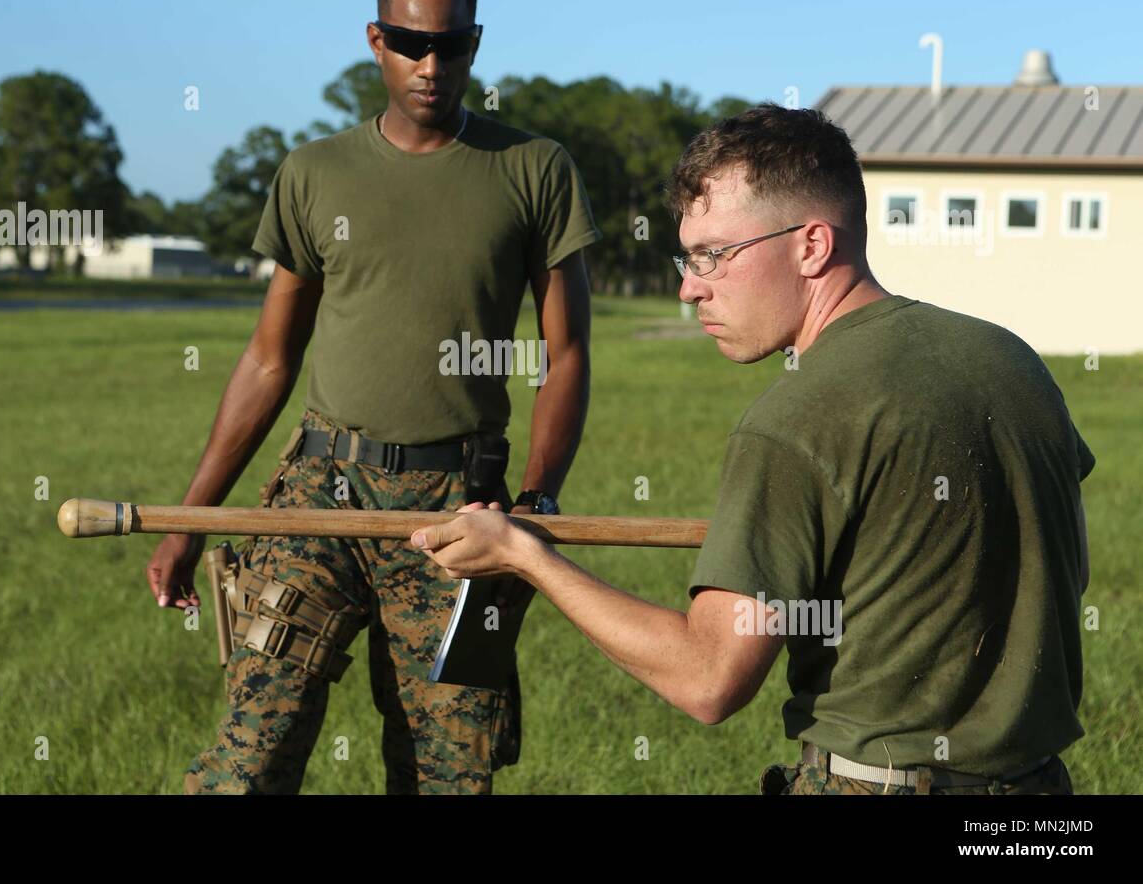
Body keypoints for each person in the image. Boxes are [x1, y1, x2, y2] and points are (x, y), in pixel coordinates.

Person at [411, 103, 1092, 795]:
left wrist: (525, 555)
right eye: (686, 256)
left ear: (812, 246)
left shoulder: (795, 419)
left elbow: (709, 679)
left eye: (714, 254)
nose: (688, 286)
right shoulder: (1012, 361)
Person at [146, 0, 599, 794]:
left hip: (459, 510)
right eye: (408, 42)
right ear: (375, 40)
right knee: (249, 760)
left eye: (451, 46)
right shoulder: (315, 172)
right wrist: (192, 516)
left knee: (447, 777)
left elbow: (565, 353)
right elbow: (268, 357)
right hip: (322, 492)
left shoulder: (534, 167)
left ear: (475, 44)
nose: (430, 66)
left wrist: (535, 505)